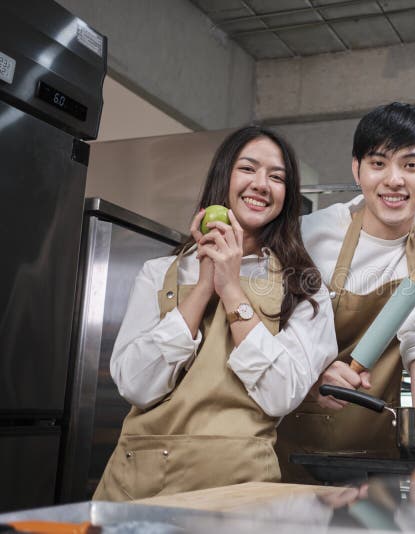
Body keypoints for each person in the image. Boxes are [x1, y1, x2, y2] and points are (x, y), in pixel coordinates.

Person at [94, 126, 338, 500]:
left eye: (277, 177)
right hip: (138, 492)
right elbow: (135, 385)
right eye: (248, 169)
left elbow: (280, 395)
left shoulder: (304, 288)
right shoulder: (158, 274)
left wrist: (231, 288)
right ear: (223, 177)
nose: (261, 184)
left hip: (239, 492)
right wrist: (205, 286)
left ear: (286, 197)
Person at [275, 103, 415, 482]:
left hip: (377, 452)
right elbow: (270, 336)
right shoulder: (310, 234)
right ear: (356, 170)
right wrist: (314, 375)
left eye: (411, 165)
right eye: (378, 163)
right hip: (290, 441)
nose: (394, 180)